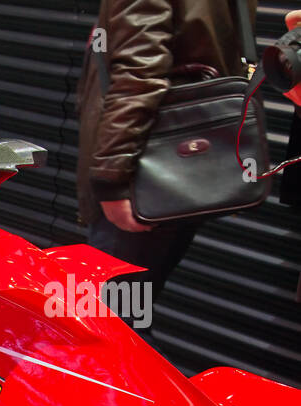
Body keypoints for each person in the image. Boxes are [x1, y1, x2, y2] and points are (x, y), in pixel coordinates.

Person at [77, 0, 258, 319]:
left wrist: (112, 177)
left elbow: (140, 73)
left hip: (143, 175)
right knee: (129, 316)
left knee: (107, 323)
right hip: (181, 165)